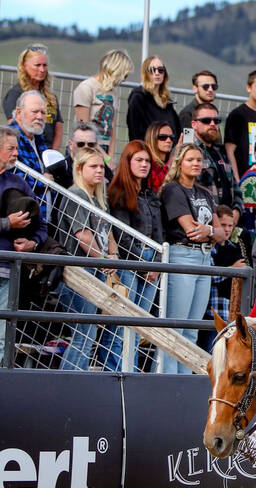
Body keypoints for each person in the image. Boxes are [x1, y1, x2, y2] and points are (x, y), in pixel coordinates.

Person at [160, 142, 224, 374]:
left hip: (205, 258)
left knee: (193, 327)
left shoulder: (204, 193)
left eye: (199, 160)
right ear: (179, 163)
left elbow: (221, 233)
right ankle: (169, 378)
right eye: (190, 160)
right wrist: (210, 233)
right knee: (176, 325)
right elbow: (190, 230)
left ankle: (184, 377)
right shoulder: (173, 190)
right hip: (182, 255)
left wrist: (208, 232)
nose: (196, 164)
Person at [58, 148, 120, 372]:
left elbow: (110, 233)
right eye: (93, 166)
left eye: (101, 166)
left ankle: (73, 381)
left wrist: (113, 255)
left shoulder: (99, 199)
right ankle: (69, 383)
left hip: (96, 270)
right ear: (79, 169)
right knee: (84, 333)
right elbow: (82, 235)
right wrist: (104, 259)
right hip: (78, 272)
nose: (99, 170)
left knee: (88, 332)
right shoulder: (76, 194)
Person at [105, 140, 164, 369]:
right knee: (121, 323)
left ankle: (131, 370)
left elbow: (160, 232)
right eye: (138, 160)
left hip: (151, 261)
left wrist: (156, 264)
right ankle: (117, 371)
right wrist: (143, 264)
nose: (144, 164)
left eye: (147, 161)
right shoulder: (118, 192)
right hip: (130, 261)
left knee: (138, 324)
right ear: (127, 161)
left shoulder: (150, 195)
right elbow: (122, 234)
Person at [0, 126, 43, 363]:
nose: (16, 153)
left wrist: (32, 243)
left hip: (8, 271)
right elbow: (10, 223)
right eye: (11, 148)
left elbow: (42, 225)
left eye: (17, 147)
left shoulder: (18, 182)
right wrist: (8, 223)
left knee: (2, 334)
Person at [73, 49, 133, 162]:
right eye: (123, 76)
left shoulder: (113, 92)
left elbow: (112, 126)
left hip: (105, 147)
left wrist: (110, 155)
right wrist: (104, 157)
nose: (124, 81)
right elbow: (83, 127)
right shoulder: (86, 88)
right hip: (86, 147)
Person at [189, 103, 243, 226]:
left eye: (216, 120)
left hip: (227, 226)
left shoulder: (222, 152)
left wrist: (236, 211)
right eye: (206, 121)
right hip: (203, 223)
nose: (213, 124)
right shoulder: (187, 151)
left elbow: (235, 187)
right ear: (194, 124)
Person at [3, 43, 63, 150]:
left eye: (45, 65)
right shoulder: (15, 94)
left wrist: (52, 155)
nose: (42, 70)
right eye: (37, 65)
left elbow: (58, 129)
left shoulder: (51, 96)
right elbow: (14, 128)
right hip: (26, 149)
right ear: (24, 66)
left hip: (48, 152)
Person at [9, 91, 51, 222]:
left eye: (43, 113)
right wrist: (43, 181)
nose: (39, 116)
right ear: (19, 112)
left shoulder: (38, 139)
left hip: (41, 221)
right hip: (20, 219)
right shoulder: (8, 138)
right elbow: (11, 177)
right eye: (35, 111)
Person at [206, 204, 247, 331]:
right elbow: (209, 276)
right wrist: (232, 269)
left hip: (231, 310)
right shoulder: (209, 249)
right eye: (223, 225)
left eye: (231, 225)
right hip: (213, 310)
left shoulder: (234, 247)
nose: (228, 229)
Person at [126, 55, 181, 144]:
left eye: (160, 70)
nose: (157, 73)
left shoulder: (167, 101)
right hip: (147, 150)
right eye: (152, 70)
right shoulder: (138, 96)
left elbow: (177, 128)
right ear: (145, 73)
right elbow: (134, 130)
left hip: (168, 151)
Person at [144, 121, 176, 192]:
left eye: (171, 137)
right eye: (162, 137)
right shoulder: (146, 162)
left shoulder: (168, 161)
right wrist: (171, 161)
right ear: (152, 138)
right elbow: (156, 187)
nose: (168, 140)